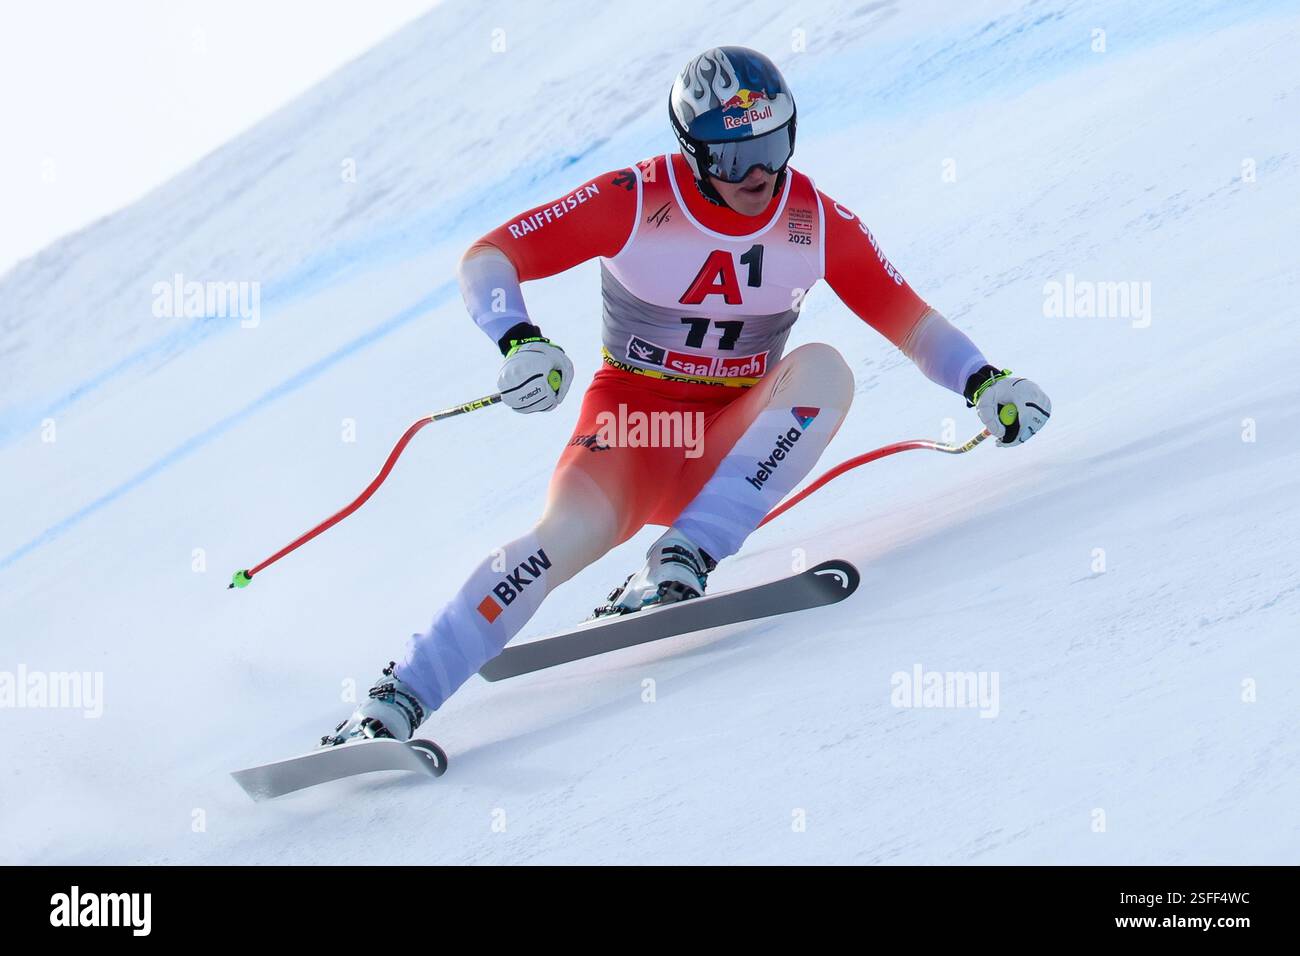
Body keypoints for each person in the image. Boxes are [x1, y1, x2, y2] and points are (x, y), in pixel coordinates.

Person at [324, 46, 1051, 746]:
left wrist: (983, 381)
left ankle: (683, 557)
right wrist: (518, 338)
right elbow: (489, 254)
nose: (758, 173)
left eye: (773, 146)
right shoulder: (637, 199)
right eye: (735, 157)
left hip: (727, 443)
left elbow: (910, 319)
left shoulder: (814, 221)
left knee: (825, 368)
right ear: (694, 152)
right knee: (554, 547)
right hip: (631, 436)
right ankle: (400, 697)